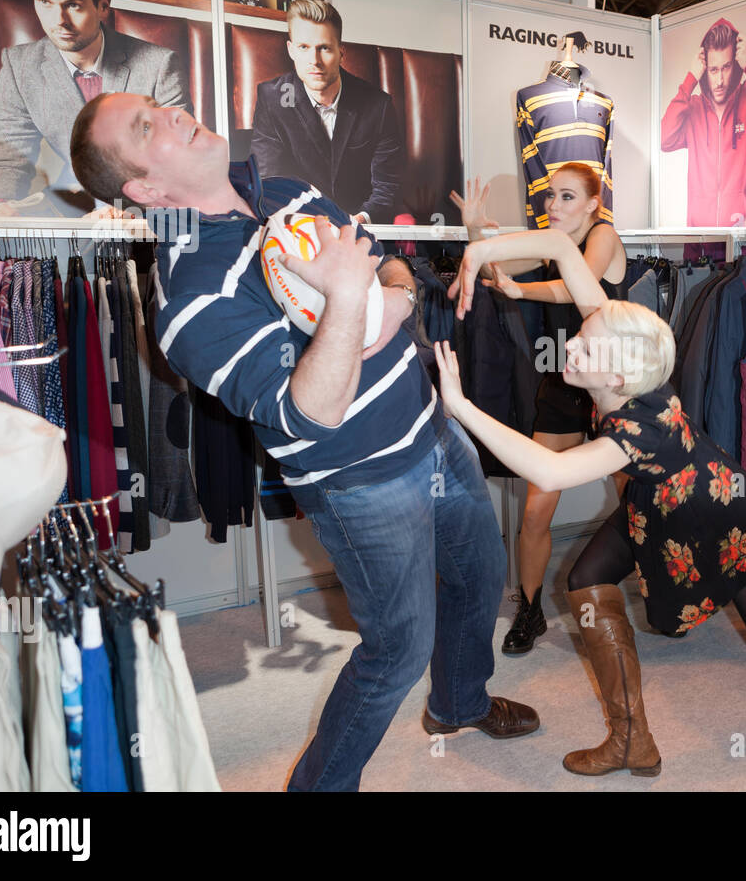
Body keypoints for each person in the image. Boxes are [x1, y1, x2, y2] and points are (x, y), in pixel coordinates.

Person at [68, 91, 537, 792]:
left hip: (431, 424)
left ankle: (459, 704)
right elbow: (312, 411)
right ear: (145, 188)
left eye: (158, 103)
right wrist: (353, 303)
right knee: (396, 652)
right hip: (363, 483)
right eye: (145, 126)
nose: (172, 112)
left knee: (479, 575)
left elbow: (383, 267)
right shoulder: (190, 300)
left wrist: (392, 297)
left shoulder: (282, 187)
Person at [436, 231, 746, 777]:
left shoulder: (638, 430)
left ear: (615, 376)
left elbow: (547, 470)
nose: (571, 345)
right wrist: (482, 251)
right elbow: (568, 253)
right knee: (585, 580)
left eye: (584, 348)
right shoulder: (625, 358)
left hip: (717, 519)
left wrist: (460, 407)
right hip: (660, 502)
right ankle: (630, 741)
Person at [449, 165, 628, 656]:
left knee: (637, 505)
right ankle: (530, 609)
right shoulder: (552, 241)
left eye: (566, 196)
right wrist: (474, 231)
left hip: (615, 387)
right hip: (565, 383)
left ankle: (657, 589)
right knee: (535, 510)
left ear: (593, 203)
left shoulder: (603, 235)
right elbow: (492, 272)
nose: (553, 205)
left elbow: (578, 286)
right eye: (551, 196)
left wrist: (519, 291)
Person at [0, 0, 191, 219]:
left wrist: (127, 208)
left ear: (103, 6)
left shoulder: (159, 66)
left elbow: (176, 161)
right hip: (63, 215)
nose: (59, 21)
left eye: (73, 5)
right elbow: (5, 158)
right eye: (44, 2)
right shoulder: (19, 68)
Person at [250, 0, 404, 224]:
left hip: (359, 232)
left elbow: (388, 188)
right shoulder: (272, 99)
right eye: (304, 47)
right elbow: (268, 183)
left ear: (341, 52)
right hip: (296, 229)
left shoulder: (377, 106)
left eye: (324, 48)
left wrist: (357, 222)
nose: (314, 61)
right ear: (291, 50)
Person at [660, 18, 746, 255]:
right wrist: (690, 79)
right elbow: (665, 138)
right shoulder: (692, 108)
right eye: (713, 70)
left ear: (736, 66)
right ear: (705, 70)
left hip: (735, 237)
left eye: (726, 67)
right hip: (696, 240)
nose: (719, 80)